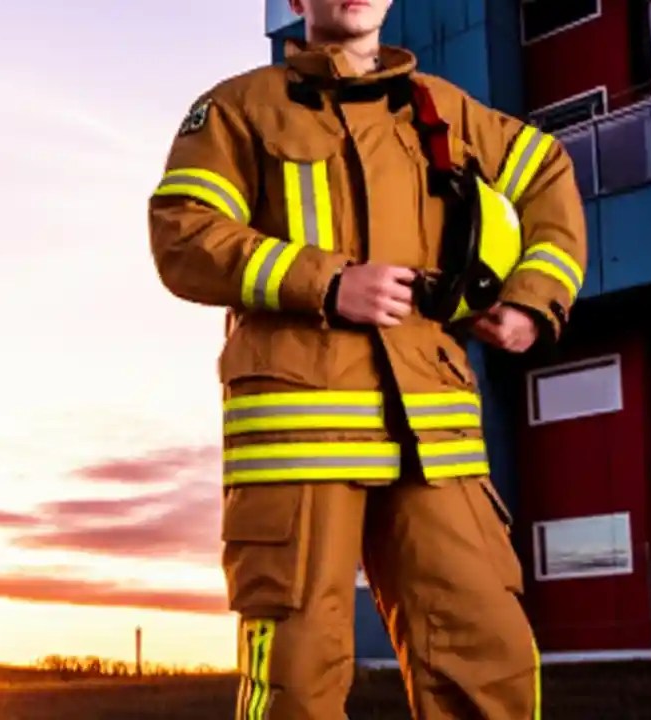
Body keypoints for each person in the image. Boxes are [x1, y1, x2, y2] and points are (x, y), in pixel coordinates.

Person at [146, 0, 587, 717]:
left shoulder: (446, 110)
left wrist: (534, 300)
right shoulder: (235, 109)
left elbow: (547, 174)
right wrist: (326, 282)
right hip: (297, 438)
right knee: (297, 671)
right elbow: (183, 235)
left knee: (486, 655)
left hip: (434, 433)